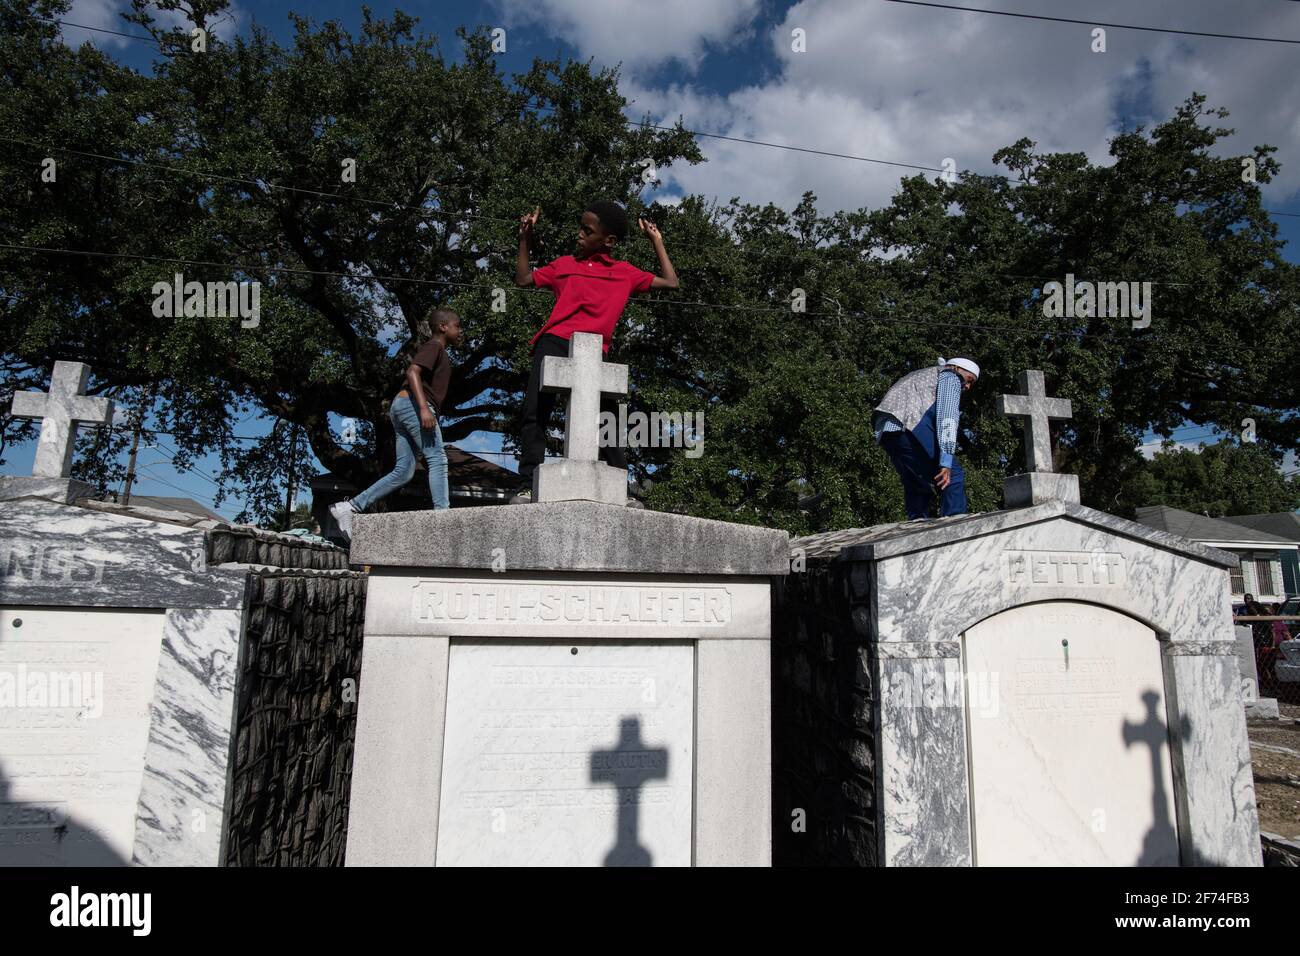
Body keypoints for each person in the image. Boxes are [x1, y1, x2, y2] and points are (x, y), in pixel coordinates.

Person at [513, 200, 679, 501]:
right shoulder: (564, 266)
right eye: (580, 227)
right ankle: (527, 483)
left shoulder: (624, 273)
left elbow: (670, 281)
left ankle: (620, 488)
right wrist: (524, 238)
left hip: (594, 350)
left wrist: (657, 241)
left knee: (607, 418)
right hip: (555, 341)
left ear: (609, 240)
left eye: (586, 230)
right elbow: (523, 279)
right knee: (536, 411)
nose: (579, 234)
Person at [329, 308, 463, 539]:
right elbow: (412, 372)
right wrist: (423, 408)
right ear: (443, 327)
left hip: (401, 406)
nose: (460, 331)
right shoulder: (435, 347)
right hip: (413, 405)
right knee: (437, 458)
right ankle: (443, 517)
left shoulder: (438, 350)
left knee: (403, 472)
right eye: (457, 326)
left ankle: (349, 507)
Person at [873, 358, 979, 519]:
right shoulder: (951, 377)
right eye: (969, 380)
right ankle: (955, 520)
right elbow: (947, 417)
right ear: (957, 368)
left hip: (887, 429)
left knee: (915, 479)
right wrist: (946, 461)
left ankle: (917, 519)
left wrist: (964, 442)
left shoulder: (926, 374)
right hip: (907, 423)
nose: (968, 386)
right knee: (953, 475)